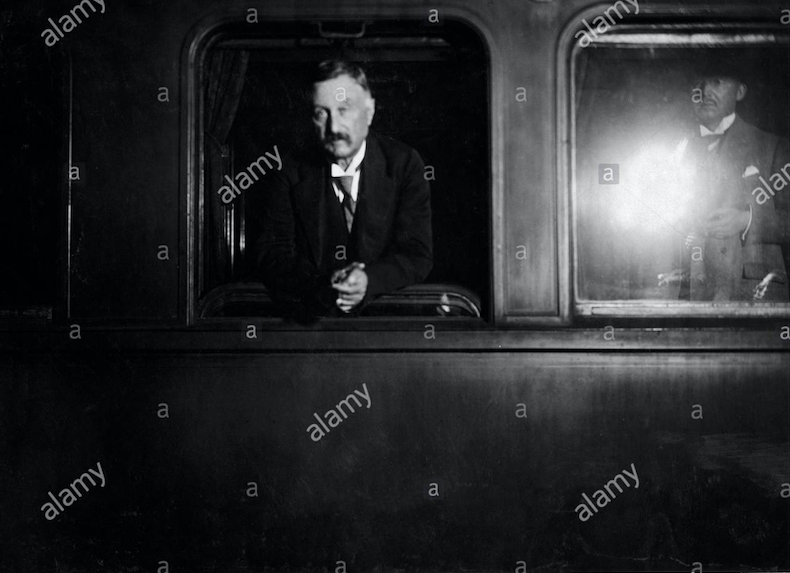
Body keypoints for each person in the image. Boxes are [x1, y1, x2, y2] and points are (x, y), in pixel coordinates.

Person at [254, 60, 433, 318]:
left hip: (387, 322)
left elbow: (417, 254)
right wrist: (326, 284)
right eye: (321, 113)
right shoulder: (288, 170)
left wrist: (367, 280)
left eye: (344, 109)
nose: (334, 128)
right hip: (310, 323)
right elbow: (272, 254)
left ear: (369, 111)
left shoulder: (404, 164)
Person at [661, 53, 789, 302]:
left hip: (754, 297)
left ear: (740, 92)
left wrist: (748, 220)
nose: (705, 91)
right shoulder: (673, 151)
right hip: (685, 298)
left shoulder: (773, 147)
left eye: (717, 82)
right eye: (698, 84)